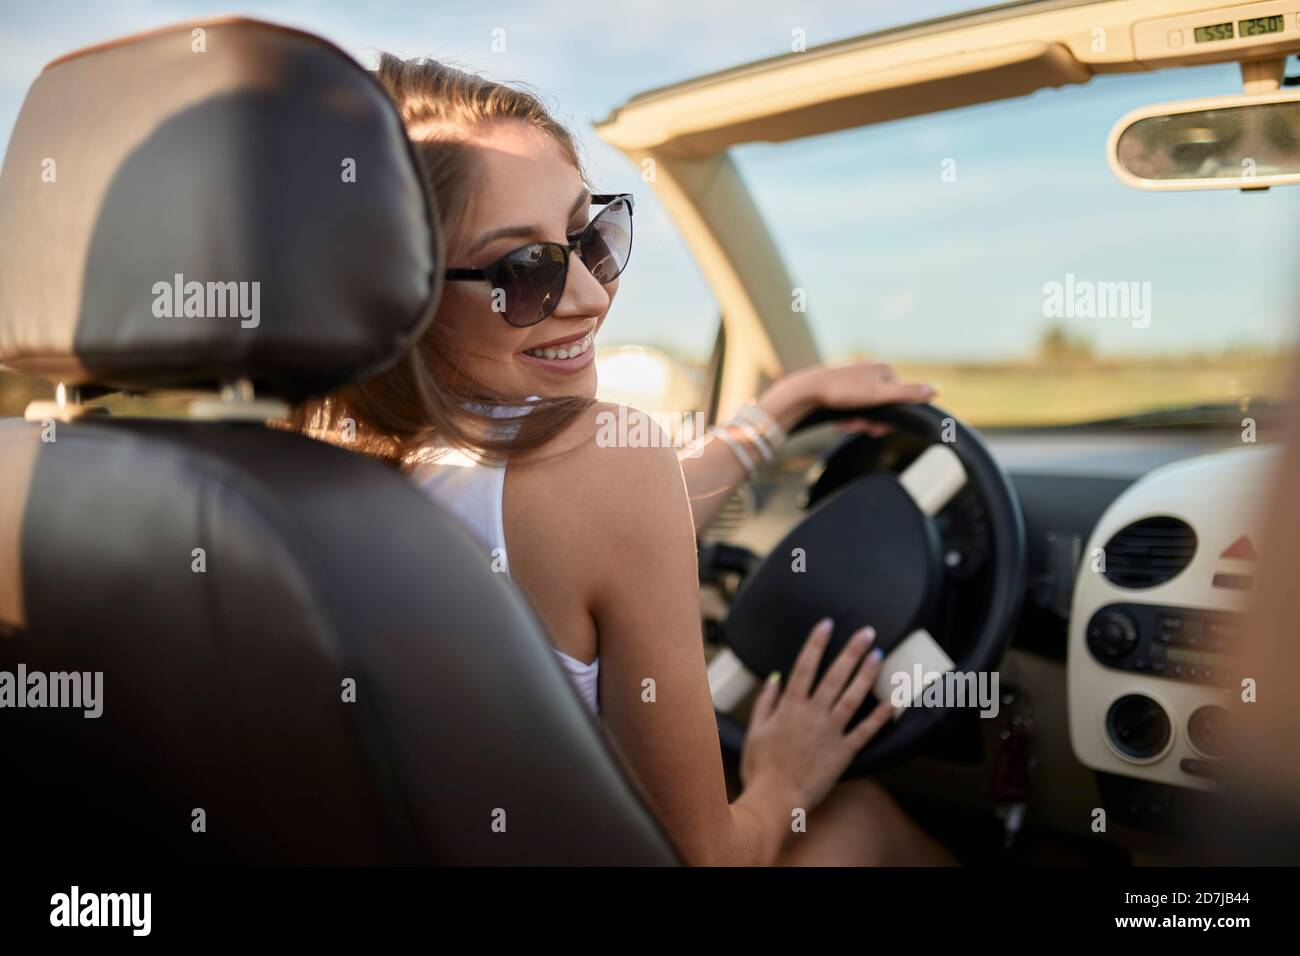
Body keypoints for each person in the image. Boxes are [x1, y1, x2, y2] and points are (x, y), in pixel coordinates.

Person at [296, 53, 952, 866]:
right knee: (862, 818)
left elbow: (607, 531)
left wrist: (777, 412)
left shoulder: (307, 463)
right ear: (404, 295)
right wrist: (783, 780)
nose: (590, 295)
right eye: (521, 270)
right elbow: (697, 859)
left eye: (588, 235)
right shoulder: (604, 468)